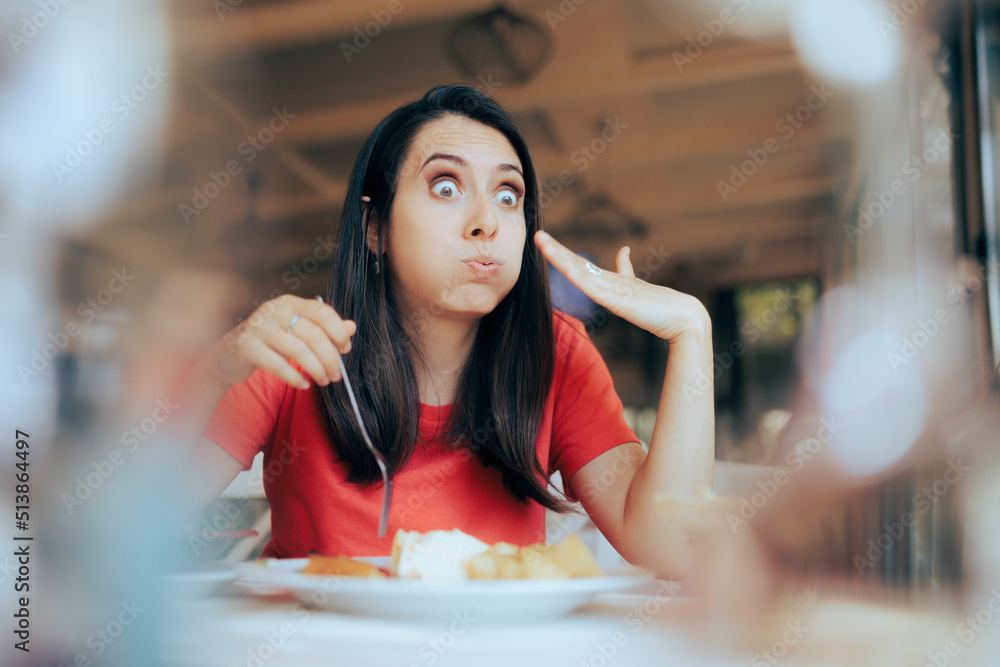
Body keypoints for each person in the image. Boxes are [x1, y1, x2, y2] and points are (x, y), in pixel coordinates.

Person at [181, 84, 714, 579]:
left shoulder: (557, 353)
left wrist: (692, 332)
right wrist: (214, 374)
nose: (487, 220)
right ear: (375, 226)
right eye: (445, 185)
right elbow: (133, 522)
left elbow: (672, 547)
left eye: (508, 195)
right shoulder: (298, 347)